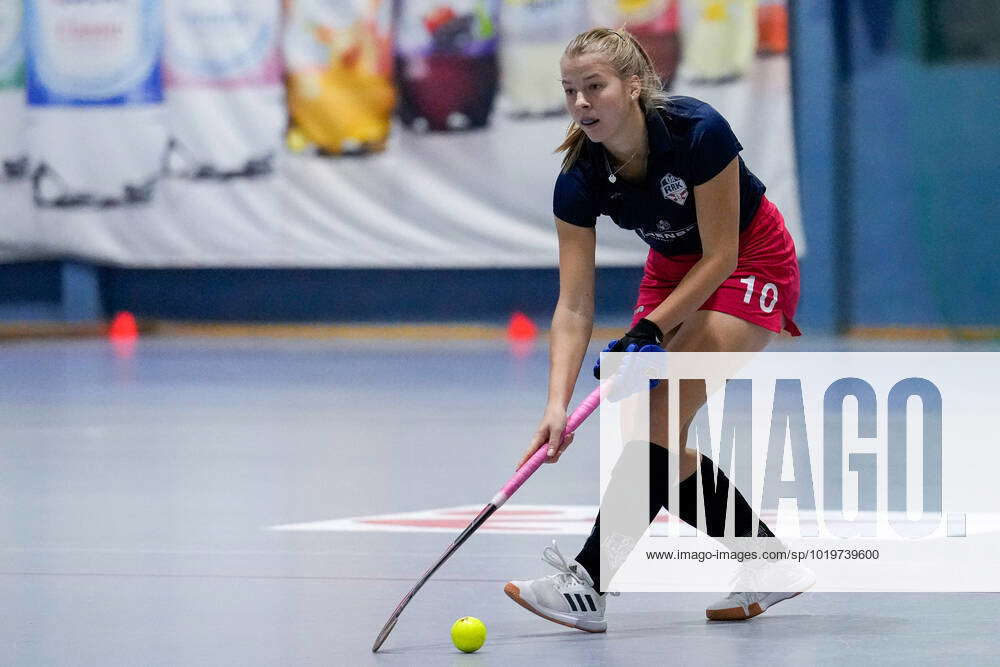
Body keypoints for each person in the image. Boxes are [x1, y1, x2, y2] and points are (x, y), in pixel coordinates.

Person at [503, 27, 812, 632]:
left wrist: (648, 327)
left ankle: (587, 582)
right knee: (650, 437)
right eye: (570, 91)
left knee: (656, 424)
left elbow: (721, 254)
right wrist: (556, 404)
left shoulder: (698, 133)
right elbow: (573, 307)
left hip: (751, 260)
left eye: (595, 87)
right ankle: (766, 560)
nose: (582, 103)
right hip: (671, 271)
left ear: (634, 86)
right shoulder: (579, 178)